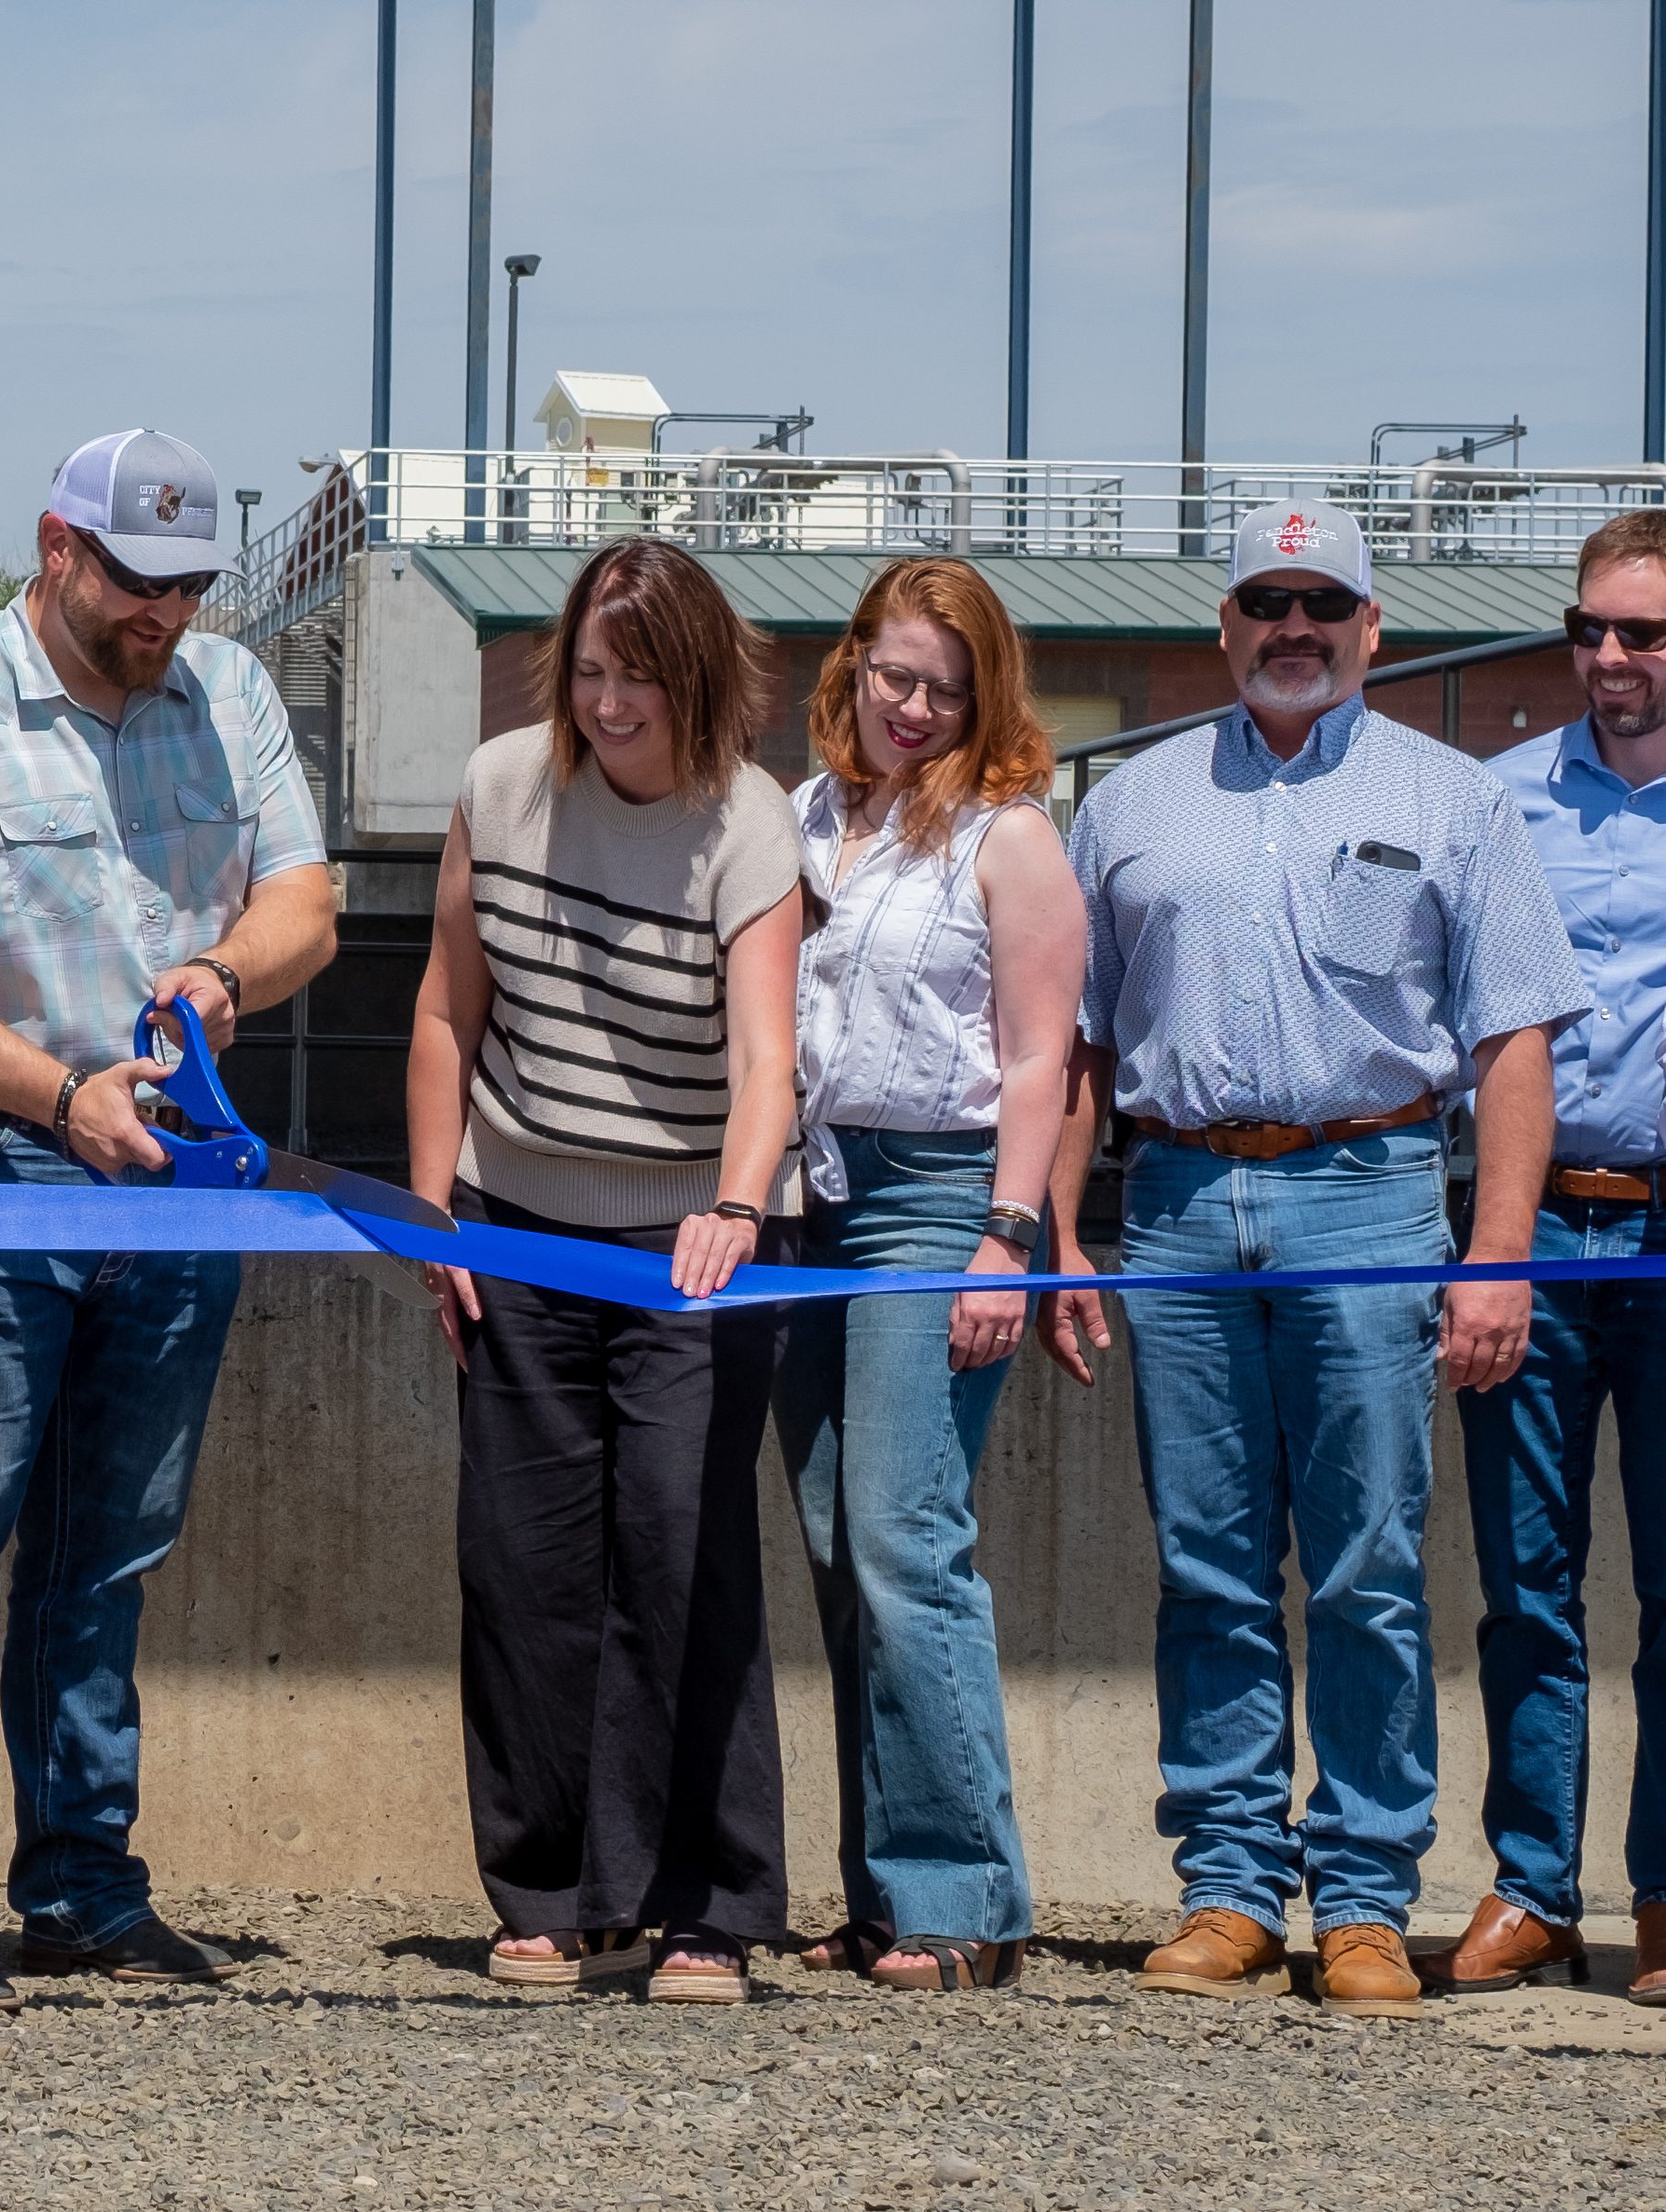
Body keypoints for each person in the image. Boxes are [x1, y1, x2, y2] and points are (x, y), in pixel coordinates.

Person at [0, 429, 335, 2018]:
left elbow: (303, 898)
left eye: (184, 587)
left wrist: (229, 974)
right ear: (54, 546)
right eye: (129, 582)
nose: (158, 615)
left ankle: (82, 1887)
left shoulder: (230, 696)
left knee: (109, 1551)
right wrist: (53, 1095)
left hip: (170, 1172)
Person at [1040, 499, 1585, 2019]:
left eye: (1320, 604)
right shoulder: (1130, 803)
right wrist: (1061, 1233)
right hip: (1176, 1202)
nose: (1293, 627)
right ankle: (1224, 1884)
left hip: (1370, 1193)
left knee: (1367, 1565)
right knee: (1206, 1561)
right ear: (1221, 626)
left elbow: (1512, 1039)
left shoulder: (1455, 800)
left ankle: (1358, 1895)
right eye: (1264, 602)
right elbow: (1075, 1044)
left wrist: (1495, 1253)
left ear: (1370, 630)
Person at [404, 537, 803, 2007]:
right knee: (522, 1563)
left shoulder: (744, 824)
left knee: (679, 1555)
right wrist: (436, 1207)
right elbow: (448, 1007)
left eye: (638, 674)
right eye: (587, 669)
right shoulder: (499, 786)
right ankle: (550, 1886)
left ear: (694, 678)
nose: (609, 699)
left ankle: (703, 1902)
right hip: (514, 1220)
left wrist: (736, 1204)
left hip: (692, 1238)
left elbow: (769, 1056)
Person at [771, 558, 1081, 1994]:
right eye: (893, 674)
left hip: (941, 1195)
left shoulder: (1007, 840)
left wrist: (1005, 1236)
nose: (910, 704)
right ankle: (886, 1892)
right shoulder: (806, 821)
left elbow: (1039, 1058)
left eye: (941, 688)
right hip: (815, 1203)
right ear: (853, 668)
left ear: (981, 698)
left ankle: (971, 1895)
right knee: (839, 1546)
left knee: (905, 1539)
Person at [1439, 510, 1666, 2002]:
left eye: (1640, 633)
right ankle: (1533, 1890)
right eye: (1589, 628)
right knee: (1524, 1589)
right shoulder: (1495, 801)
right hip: (1524, 1229)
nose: (1606, 657)